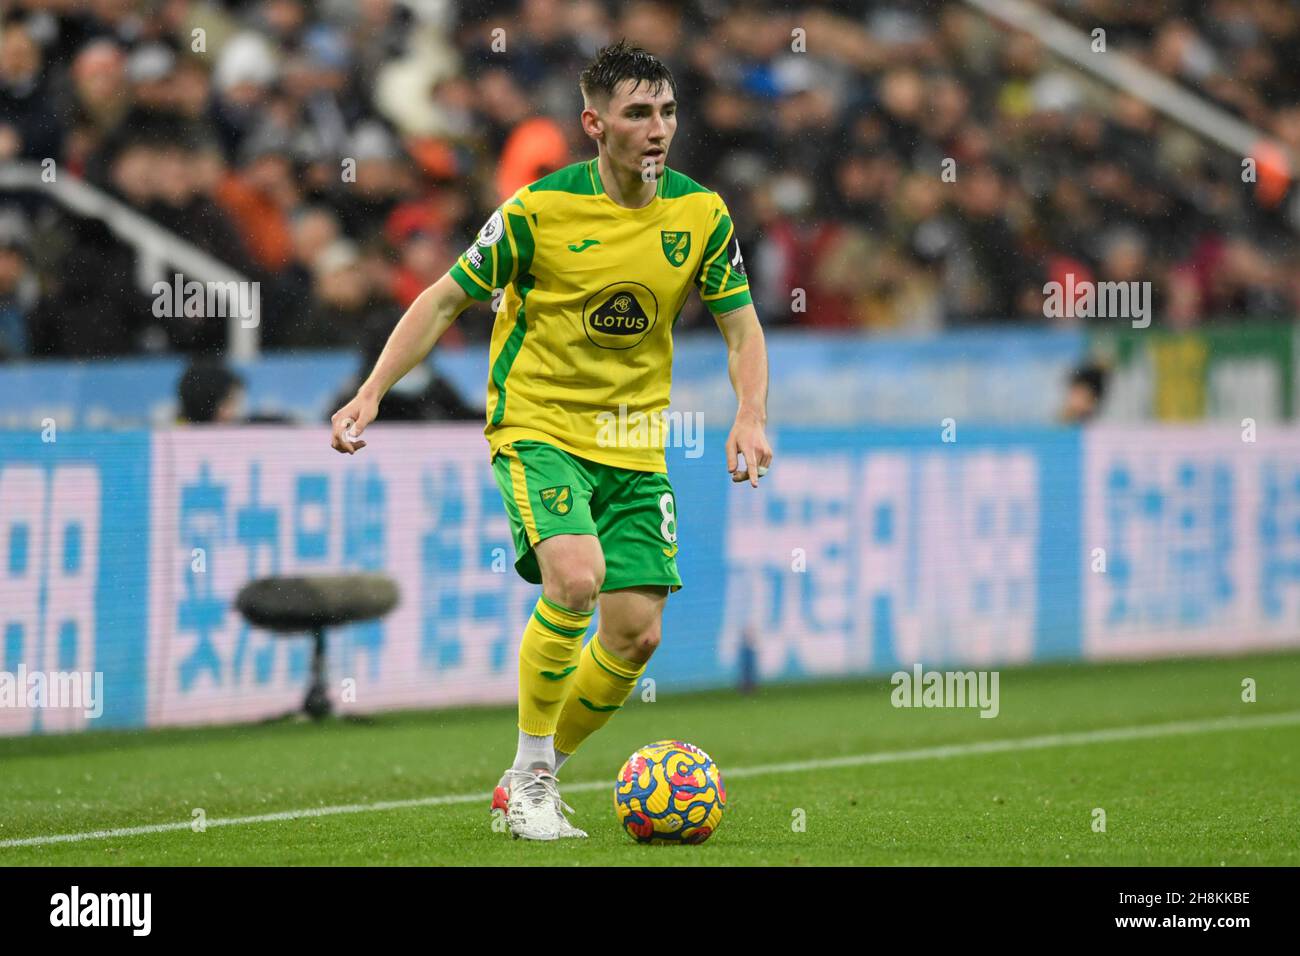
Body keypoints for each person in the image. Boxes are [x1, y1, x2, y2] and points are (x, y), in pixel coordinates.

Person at [329, 40, 772, 841]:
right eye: (639, 113)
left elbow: (742, 330)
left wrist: (749, 414)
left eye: (668, 111)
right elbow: (440, 301)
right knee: (575, 576)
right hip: (538, 426)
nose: (658, 128)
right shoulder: (539, 211)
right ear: (594, 124)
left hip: (636, 445)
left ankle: (530, 775)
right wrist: (371, 393)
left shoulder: (702, 215)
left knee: (636, 633)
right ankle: (535, 778)